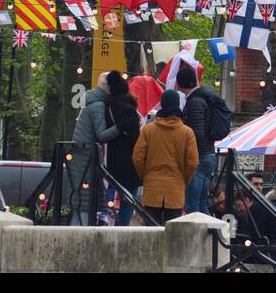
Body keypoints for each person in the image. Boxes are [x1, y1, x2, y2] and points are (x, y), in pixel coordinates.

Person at [132, 89, 198, 225]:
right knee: (172, 233)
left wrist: (146, 175)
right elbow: (193, 162)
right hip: (175, 188)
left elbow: (137, 157)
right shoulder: (187, 133)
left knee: (151, 232)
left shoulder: (148, 130)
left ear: (162, 104)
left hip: (152, 188)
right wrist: (183, 179)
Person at [69, 72, 125, 225]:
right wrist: (121, 127)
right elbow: (101, 135)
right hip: (86, 160)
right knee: (86, 204)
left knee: (81, 203)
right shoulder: (98, 105)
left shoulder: (90, 101)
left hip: (82, 158)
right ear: (108, 87)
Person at [176, 64, 218, 215]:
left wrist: (188, 152)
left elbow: (197, 133)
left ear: (181, 83)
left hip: (199, 157)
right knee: (201, 204)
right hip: (208, 155)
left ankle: (198, 238)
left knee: (193, 206)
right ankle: (209, 237)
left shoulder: (195, 102)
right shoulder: (202, 99)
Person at [103, 71, 141, 226]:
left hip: (111, 160)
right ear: (127, 91)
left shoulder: (107, 108)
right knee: (128, 200)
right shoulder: (130, 111)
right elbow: (135, 137)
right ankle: (121, 229)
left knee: (110, 194)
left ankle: (104, 221)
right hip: (129, 162)